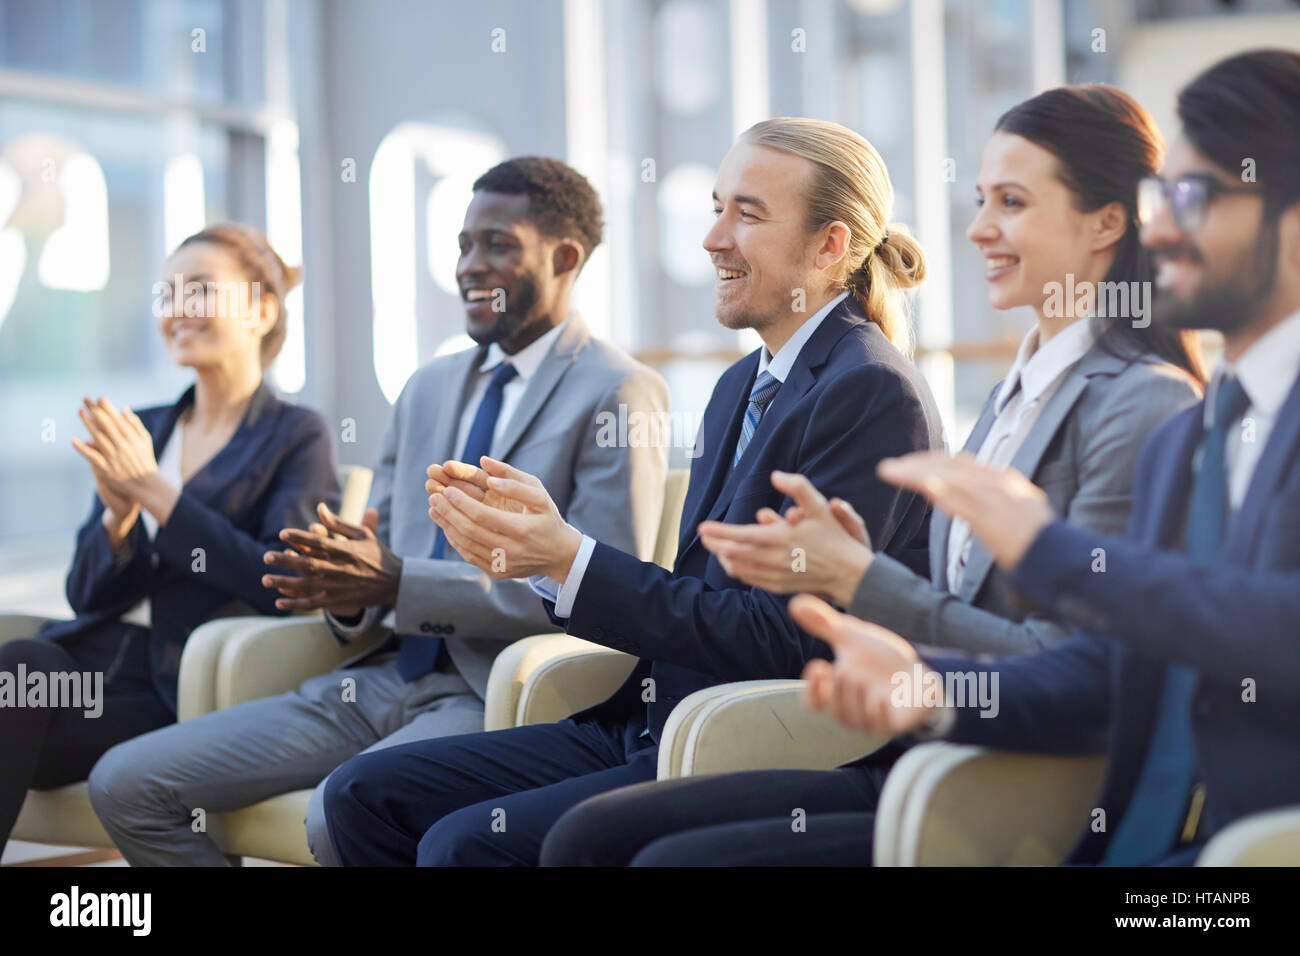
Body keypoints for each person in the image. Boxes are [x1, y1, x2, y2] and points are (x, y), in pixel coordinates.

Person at [637, 48, 1300, 867]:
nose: (1165, 224)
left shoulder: (1157, 409)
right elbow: (1103, 670)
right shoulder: (1191, 427)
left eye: (1194, 198)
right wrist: (914, 666)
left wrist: (1033, 556)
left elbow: (1244, 637)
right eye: (982, 199)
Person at [323, 116, 946, 866]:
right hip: (646, 718)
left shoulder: (869, 391)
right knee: (361, 796)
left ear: (830, 245)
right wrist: (547, 556)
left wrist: (568, 557)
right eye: (717, 207)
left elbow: (785, 638)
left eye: (746, 213)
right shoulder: (739, 386)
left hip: (743, 731)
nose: (714, 238)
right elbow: (700, 592)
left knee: (463, 847)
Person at [87, 156, 669, 866]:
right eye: (462, 245)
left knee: (339, 815)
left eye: (497, 245)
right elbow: (386, 556)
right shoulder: (426, 386)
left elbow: (605, 591)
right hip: (379, 673)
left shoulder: (619, 391)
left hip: (491, 688)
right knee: (125, 782)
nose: (470, 267)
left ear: (565, 256)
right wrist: (346, 588)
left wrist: (397, 583)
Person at [1, 222, 338, 850]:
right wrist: (118, 518)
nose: (178, 309)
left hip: (181, 687)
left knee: (20, 664)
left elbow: (285, 582)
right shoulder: (147, 426)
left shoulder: (296, 434)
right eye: (168, 294)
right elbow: (84, 593)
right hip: (85, 669)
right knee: (24, 666)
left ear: (262, 310)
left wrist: (155, 492)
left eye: (201, 290)